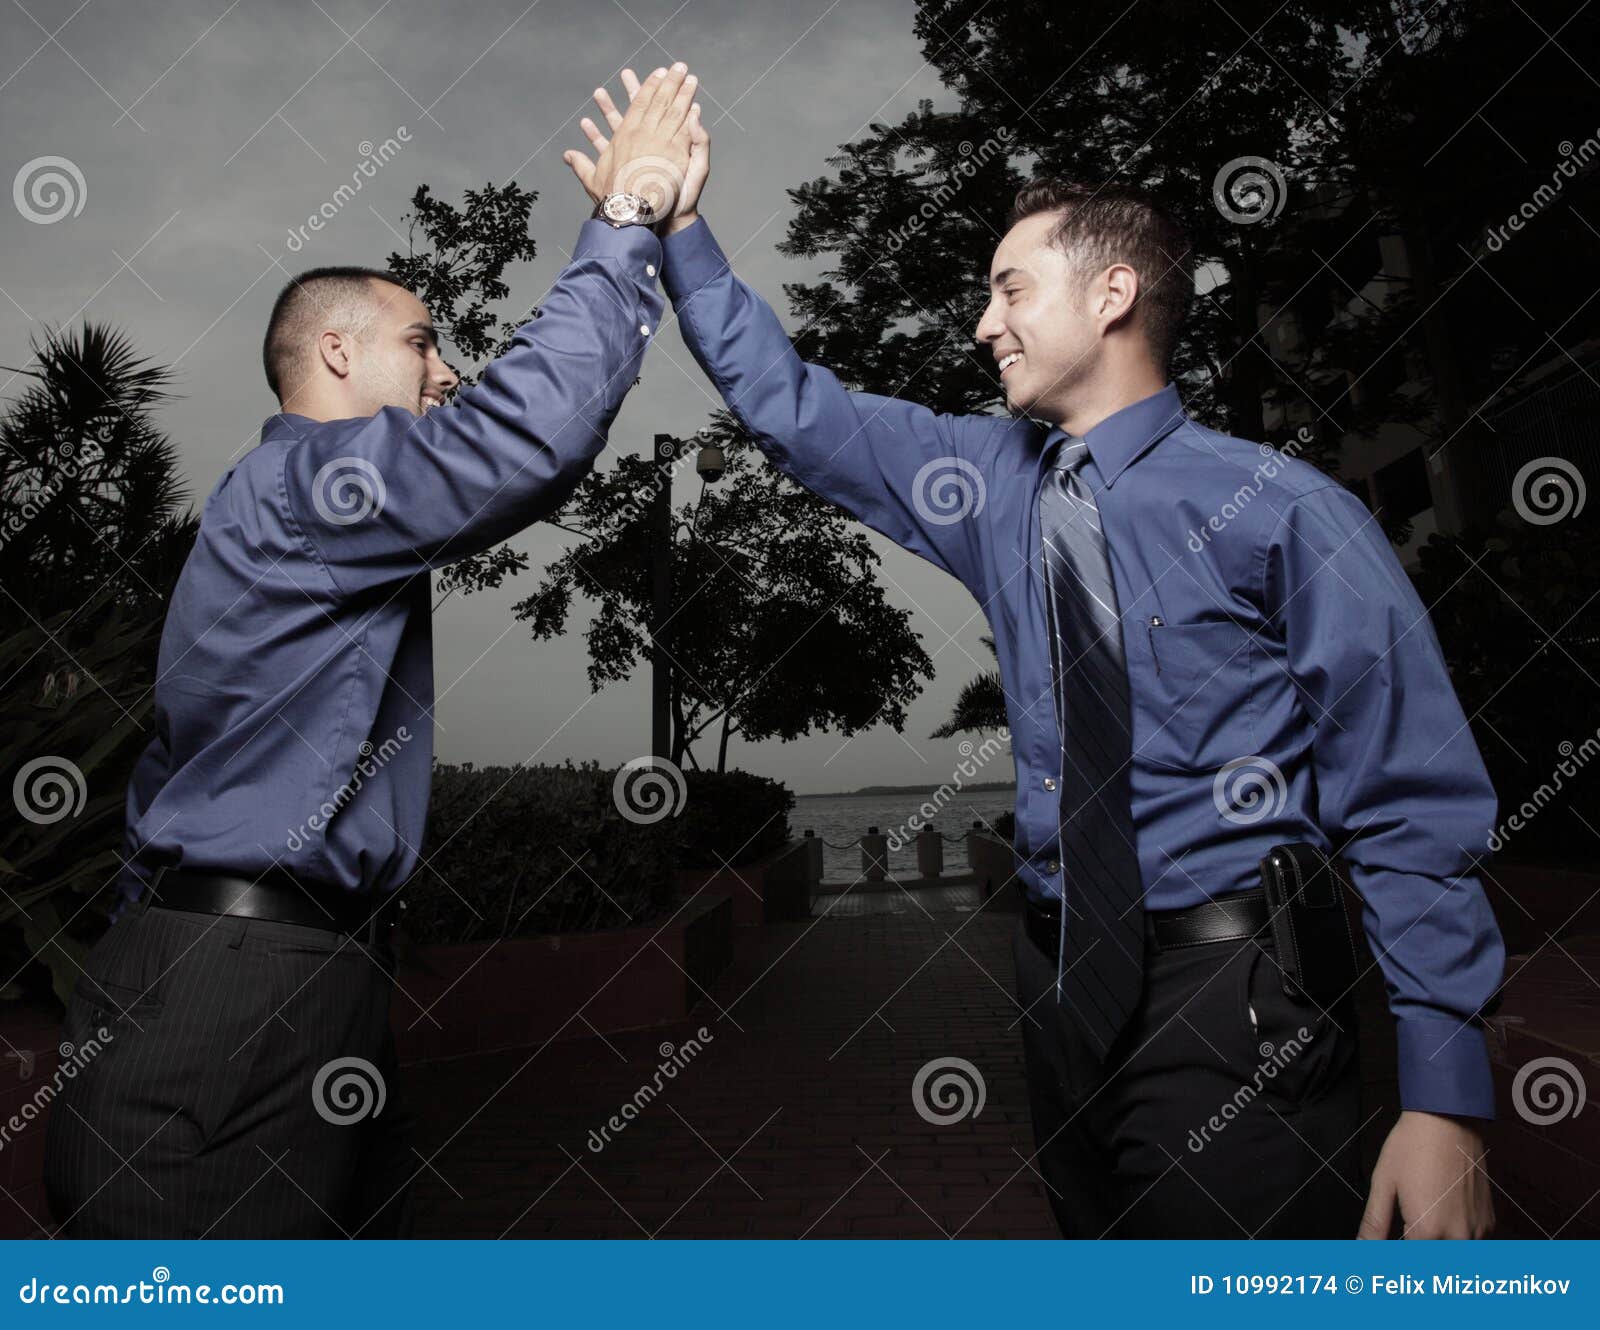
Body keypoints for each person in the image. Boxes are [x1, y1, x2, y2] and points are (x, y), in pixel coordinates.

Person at [564, 73, 1505, 1239]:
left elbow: (1407, 797)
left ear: (1113, 293)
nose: (982, 322)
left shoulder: (1286, 513)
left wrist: (1445, 1100)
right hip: (1060, 990)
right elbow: (794, 407)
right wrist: (675, 228)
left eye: (1010, 288)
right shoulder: (989, 486)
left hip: (1239, 998)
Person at [43, 63, 702, 1238]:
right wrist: (624, 219)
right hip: (237, 988)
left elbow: (182, 769)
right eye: (422, 340)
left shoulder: (285, 509)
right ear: (337, 356)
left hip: (297, 977)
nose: (444, 368)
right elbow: (526, 441)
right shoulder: (310, 482)